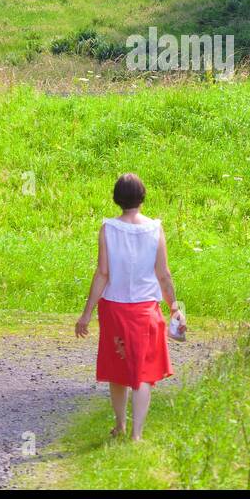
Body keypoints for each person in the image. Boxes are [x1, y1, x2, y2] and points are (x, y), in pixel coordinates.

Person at [75, 173, 183, 441]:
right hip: (146, 310)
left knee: (118, 367)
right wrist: (174, 307)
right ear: (142, 196)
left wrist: (86, 313)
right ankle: (136, 435)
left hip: (114, 309)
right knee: (143, 373)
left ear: (117, 198)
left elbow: (102, 274)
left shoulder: (108, 229)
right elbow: (164, 274)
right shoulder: (155, 229)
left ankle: (120, 424)